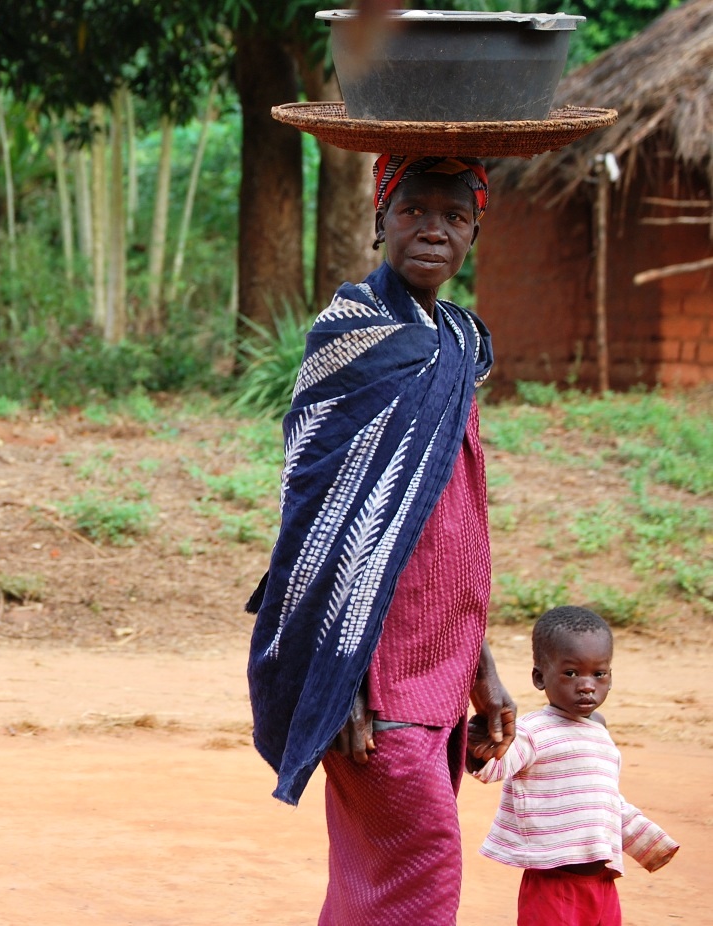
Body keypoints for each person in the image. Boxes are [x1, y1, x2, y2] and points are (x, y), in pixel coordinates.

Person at [245, 154, 518, 925]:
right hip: (375, 674)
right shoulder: (351, 337)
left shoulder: (461, 342)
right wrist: (342, 677)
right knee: (420, 871)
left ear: (474, 232)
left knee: (379, 880)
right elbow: (317, 523)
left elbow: (441, 515)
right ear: (379, 220)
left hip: (440, 661)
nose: (433, 229)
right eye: (413, 210)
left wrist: (481, 669)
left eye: (455, 215)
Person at [468, 606, 678, 925]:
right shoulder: (532, 731)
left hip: (602, 884)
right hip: (554, 886)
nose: (586, 685)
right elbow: (496, 767)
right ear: (540, 677)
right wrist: (479, 749)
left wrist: (646, 841)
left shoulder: (599, 730)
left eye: (599, 673)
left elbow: (603, 797)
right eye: (571, 673)